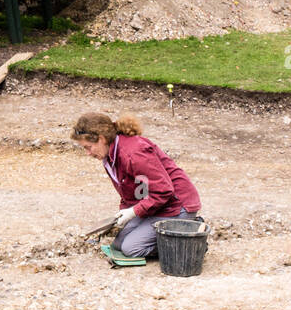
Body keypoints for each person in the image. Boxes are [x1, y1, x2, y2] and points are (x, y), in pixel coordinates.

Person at [72, 111, 202, 259]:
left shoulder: (134, 153)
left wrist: (133, 212)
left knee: (131, 249)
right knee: (118, 244)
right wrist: (123, 214)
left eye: (88, 147)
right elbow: (130, 191)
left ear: (101, 139)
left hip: (177, 206)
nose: (88, 153)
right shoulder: (109, 156)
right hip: (157, 207)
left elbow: (163, 191)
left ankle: (189, 240)